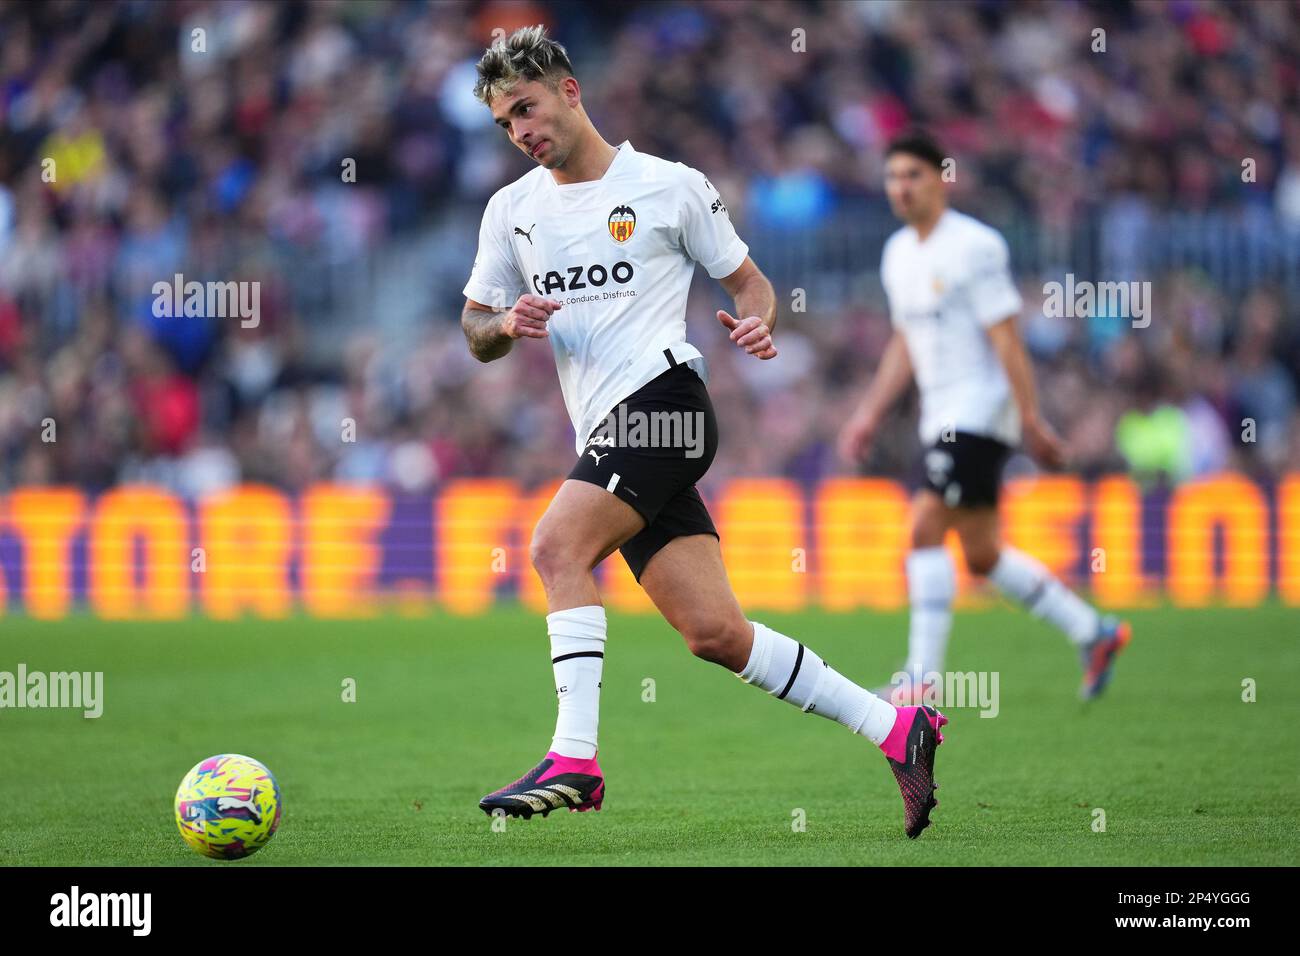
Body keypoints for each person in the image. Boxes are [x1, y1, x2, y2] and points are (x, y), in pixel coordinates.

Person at [461, 27, 945, 838]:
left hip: (667, 406)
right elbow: (474, 329)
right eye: (506, 124)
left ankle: (574, 758)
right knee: (714, 634)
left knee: (554, 549)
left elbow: (752, 287)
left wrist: (757, 326)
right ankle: (897, 730)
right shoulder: (511, 212)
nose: (521, 133)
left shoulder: (670, 187)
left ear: (570, 92)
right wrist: (506, 321)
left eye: (527, 109)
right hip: (609, 429)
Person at [838, 131, 1130, 705]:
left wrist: (1030, 417)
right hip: (939, 414)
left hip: (977, 410)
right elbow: (905, 341)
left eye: (913, 175)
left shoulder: (976, 247)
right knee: (980, 552)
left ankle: (921, 680)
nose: (902, 187)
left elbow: (1007, 336)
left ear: (941, 179)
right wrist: (869, 412)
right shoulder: (898, 254)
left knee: (923, 528)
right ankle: (1094, 632)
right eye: (893, 176)